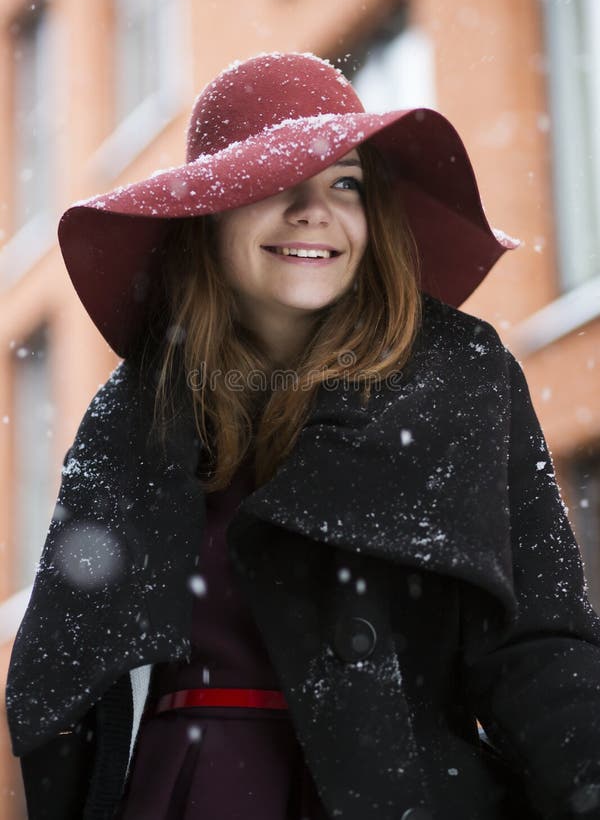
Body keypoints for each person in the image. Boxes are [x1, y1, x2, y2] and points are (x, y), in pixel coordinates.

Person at [6, 51, 600, 820]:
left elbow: (539, 643)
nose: (313, 211)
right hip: (181, 792)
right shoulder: (134, 412)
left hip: (394, 793)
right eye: (272, 183)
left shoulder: (461, 378)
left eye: (345, 184)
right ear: (210, 214)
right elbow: (61, 672)